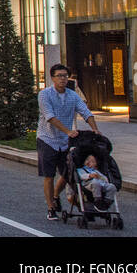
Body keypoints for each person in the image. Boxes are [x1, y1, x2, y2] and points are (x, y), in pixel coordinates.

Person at [37, 62, 99, 220]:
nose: (63, 79)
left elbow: (85, 112)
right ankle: (51, 207)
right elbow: (50, 117)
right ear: (52, 78)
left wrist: (95, 129)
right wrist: (68, 131)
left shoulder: (72, 95)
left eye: (65, 76)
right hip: (47, 139)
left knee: (68, 172)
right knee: (49, 175)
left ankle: (56, 196)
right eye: (59, 76)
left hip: (65, 141)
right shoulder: (45, 95)